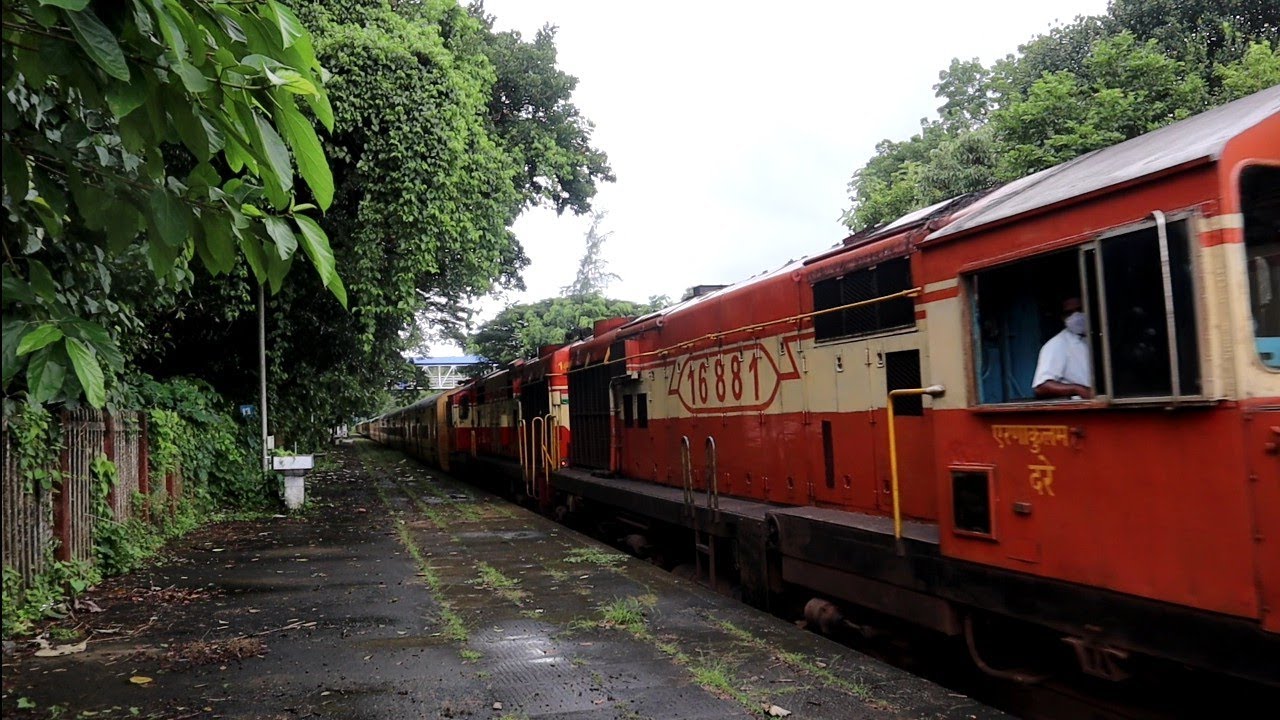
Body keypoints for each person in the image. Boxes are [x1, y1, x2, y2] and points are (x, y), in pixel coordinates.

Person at [1032, 297, 1093, 399]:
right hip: (1079, 409)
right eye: (1069, 313)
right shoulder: (1057, 344)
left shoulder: (1094, 339)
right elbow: (1041, 386)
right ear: (1062, 318)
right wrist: (1077, 389)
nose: (1076, 316)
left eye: (1080, 310)